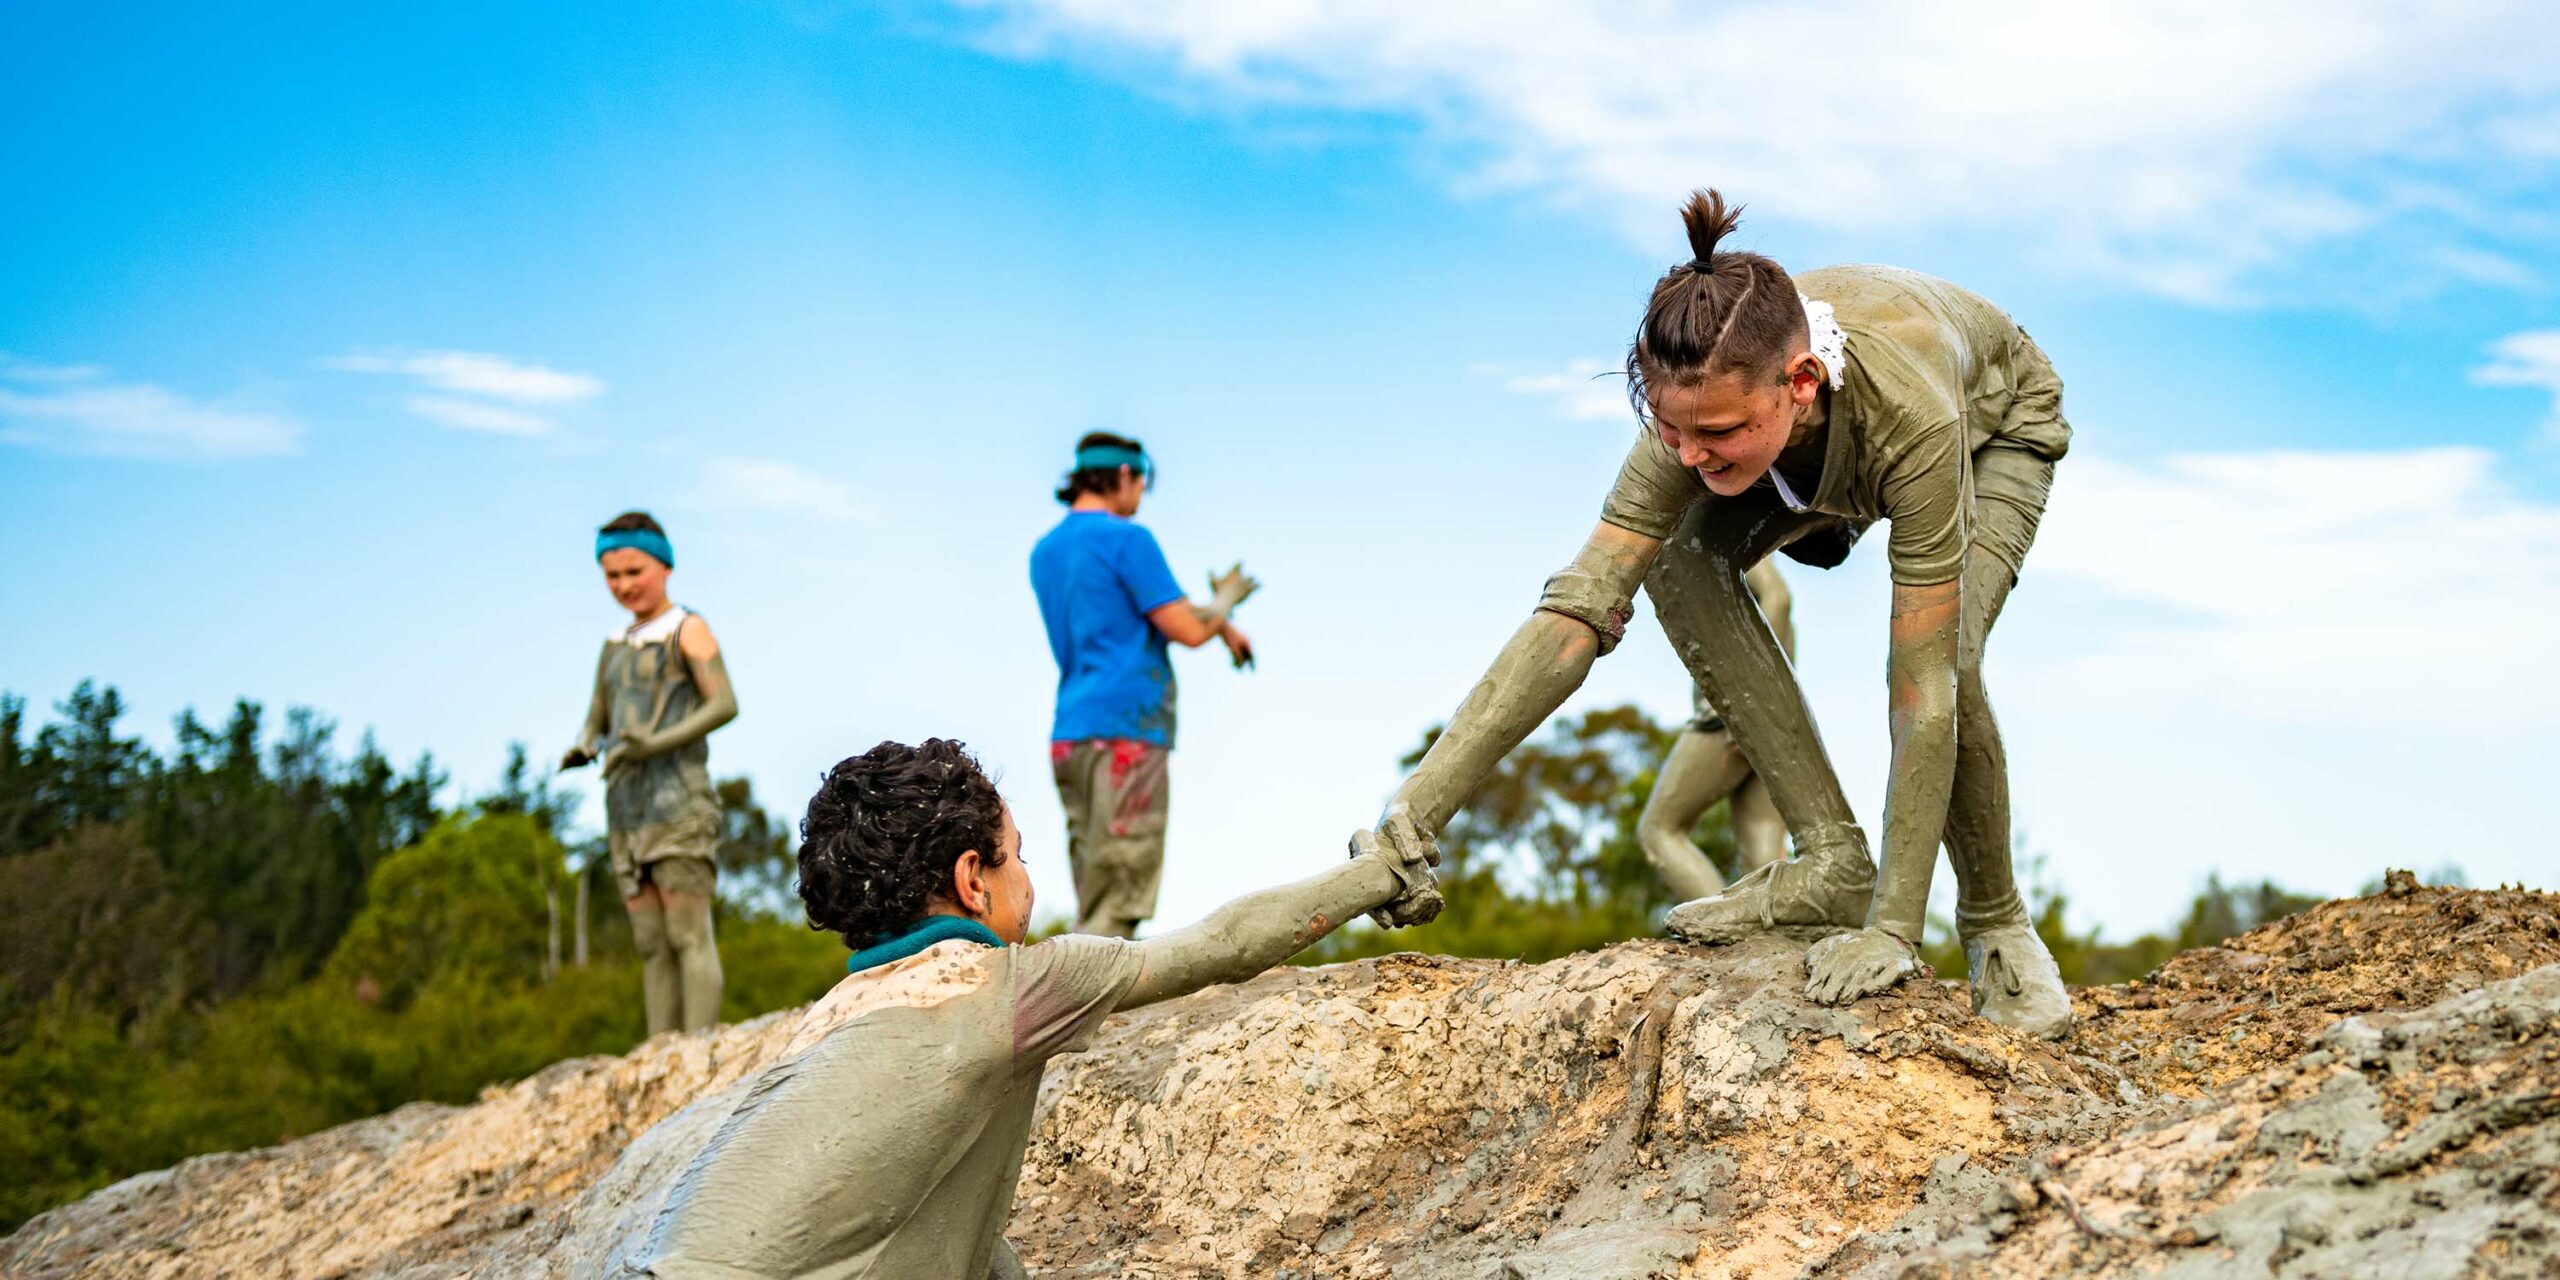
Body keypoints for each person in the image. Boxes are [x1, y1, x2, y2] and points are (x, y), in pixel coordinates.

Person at [1368, 189, 2074, 1037]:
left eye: (1718, 434)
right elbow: (1578, 605)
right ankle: (1831, 861)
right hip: (1809, 460)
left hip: (1993, 428)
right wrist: (1416, 811)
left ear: (1800, 383)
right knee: (1675, 555)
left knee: (1951, 656)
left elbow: (1921, 685)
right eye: (1672, 434)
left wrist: (1892, 930)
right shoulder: (1698, 403)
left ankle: (1996, 922)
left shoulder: (1912, 418)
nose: (1691, 457)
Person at [621, 738, 1440, 1279]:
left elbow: (955, 1230)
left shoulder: (827, 1023)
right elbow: (1222, 943)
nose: (1027, 880)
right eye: (1017, 856)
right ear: (974, 879)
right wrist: (1376, 876)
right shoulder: (1010, 985)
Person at [1029, 432, 1259, 938]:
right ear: (1124, 476)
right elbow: (1187, 629)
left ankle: (1079, 993)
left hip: (1072, 733)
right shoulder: (1128, 540)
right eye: (1142, 484)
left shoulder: (1046, 551)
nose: (1141, 498)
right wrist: (1222, 606)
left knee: (1096, 883)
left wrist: (1223, 626)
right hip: (1126, 731)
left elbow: (1133, 616)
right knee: (1122, 886)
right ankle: (1094, 1011)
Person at [562, 511, 737, 1036]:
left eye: (634, 571)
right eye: (612, 576)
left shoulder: (688, 628)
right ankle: (660, 1050)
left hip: (679, 804)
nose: (624, 585)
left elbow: (724, 703)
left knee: (688, 933)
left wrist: (653, 745)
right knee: (649, 942)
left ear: (663, 566)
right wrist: (584, 745)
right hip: (626, 811)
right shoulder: (614, 644)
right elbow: (597, 716)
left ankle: (698, 1052)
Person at [1635, 557, 1792, 901]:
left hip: (1734, 712)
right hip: (1775, 717)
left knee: (1659, 829)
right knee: (1760, 840)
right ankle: (1771, 944)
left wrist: (1750, 701)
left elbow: (1778, 597)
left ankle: (1721, 932)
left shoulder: (1721, 530)